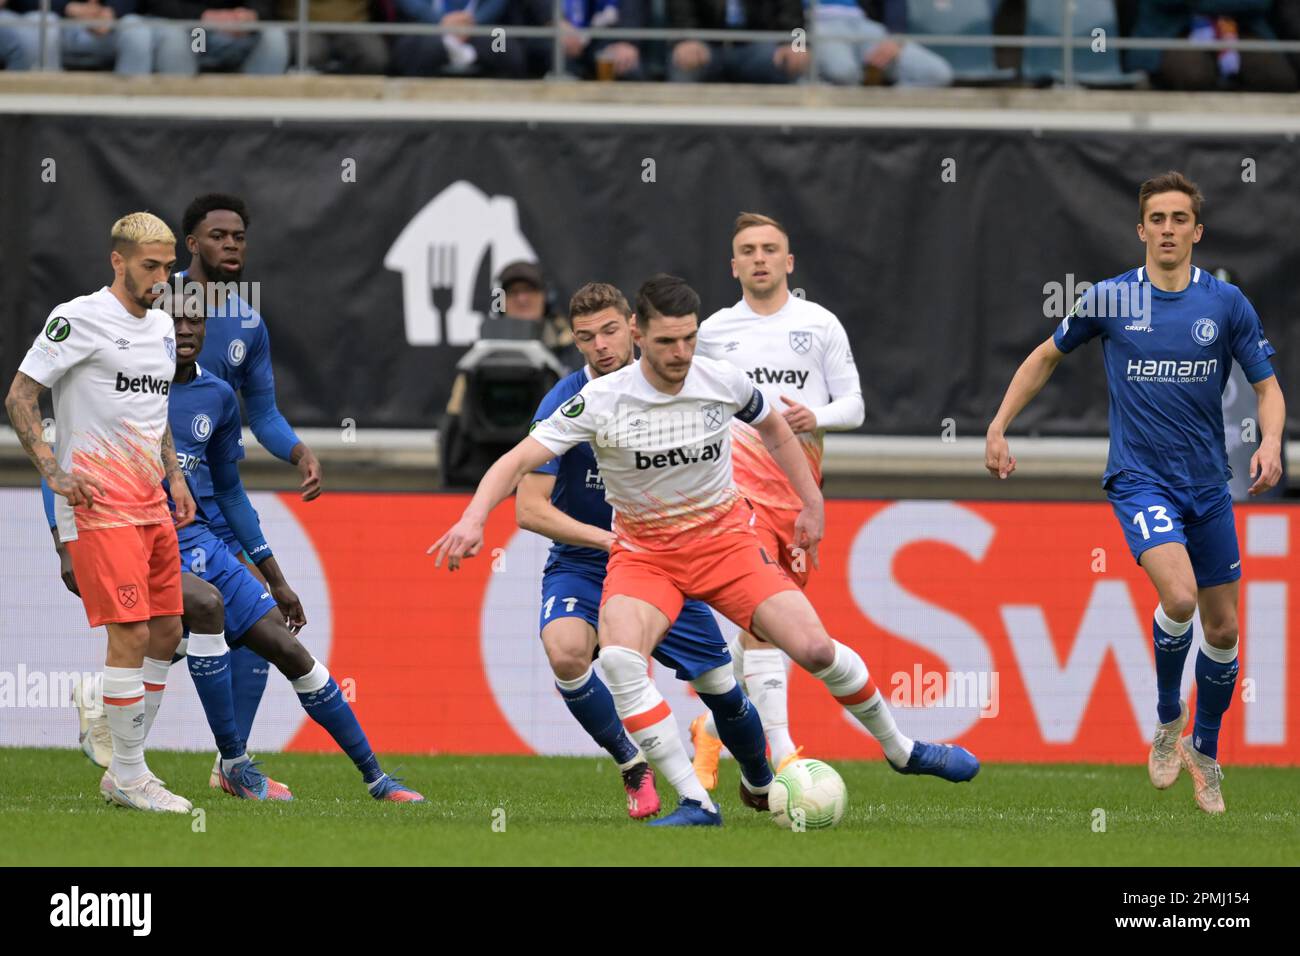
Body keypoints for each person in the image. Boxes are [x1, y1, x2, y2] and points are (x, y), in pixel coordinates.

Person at [433, 273, 979, 827]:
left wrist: (810, 503)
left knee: (812, 650)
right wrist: (474, 517)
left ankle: (901, 751)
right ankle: (695, 800)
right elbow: (515, 462)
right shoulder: (597, 400)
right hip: (644, 555)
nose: (681, 353)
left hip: (725, 544)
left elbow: (774, 428)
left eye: (689, 338)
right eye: (668, 341)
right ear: (642, 336)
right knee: (620, 660)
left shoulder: (721, 379)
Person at [984, 171, 1285, 814]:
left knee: (1225, 629)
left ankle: (1204, 748)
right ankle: (1167, 716)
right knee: (1178, 595)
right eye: (1158, 219)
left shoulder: (1226, 305)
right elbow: (1045, 356)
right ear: (1141, 229)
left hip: (1208, 484)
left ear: (1197, 232)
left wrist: (1269, 441)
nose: (1168, 229)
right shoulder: (1111, 300)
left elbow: (1267, 386)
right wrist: (999, 423)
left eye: (1180, 219)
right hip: (1139, 478)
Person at [515, 281, 775, 821]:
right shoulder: (565, 401)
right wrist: (607, 541)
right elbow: (529, 509)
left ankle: (760, 778)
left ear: (633, 327)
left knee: (721, 689)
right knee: (566, 651)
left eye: (610, 331)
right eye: (586, 337)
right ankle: (634, 766)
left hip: (670, 558)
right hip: (587, 562)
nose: (601, 345)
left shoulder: (681, 384)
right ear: (577, 342)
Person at [6, 212, 198, 813]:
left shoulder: (164, 325)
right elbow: (20, 395)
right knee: (132, 632)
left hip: (152, 503)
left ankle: (118, 750)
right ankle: (131, 775)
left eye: (168, 266)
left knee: (168, 631)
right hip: (99, 506)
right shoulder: (78, 317)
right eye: (150, 266)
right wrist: (54, 472)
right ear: (117, 261)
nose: (161, 278)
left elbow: (156, 409)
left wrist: (174, 474)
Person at [688, 211, 864, 786]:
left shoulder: (819, 325)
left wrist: (819, 415)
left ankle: (710, 729)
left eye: (770, 249)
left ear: (788, 262)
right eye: (748, 250)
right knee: (767, 623)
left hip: (798, 497)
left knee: (768, 629)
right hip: (735, 499)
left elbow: (855, 407)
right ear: (733, 264)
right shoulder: (712, 332)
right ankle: (781, 755)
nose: (759, 258)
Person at [812, 0, 952, 87]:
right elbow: (793, 17)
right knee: (842, 72)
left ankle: (882, 115)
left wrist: (895, 37)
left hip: (864, 25)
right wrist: (798, 45)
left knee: (936, 73)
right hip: (817, 25)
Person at [668, 0, 807, 83]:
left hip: (757, 47)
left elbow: (793, 12)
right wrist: (685, 39)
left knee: (796, 66)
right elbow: (680, 9)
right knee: (683, 68)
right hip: (708, 46)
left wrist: (797, 46)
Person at [139, 0, 290, 75]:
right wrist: (203, 17)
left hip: (235, 33)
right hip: (192, 31)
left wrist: (250, 16)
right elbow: (157, 4)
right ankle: (182, 118)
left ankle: (261, 122)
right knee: (174, 38)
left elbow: (264, 7)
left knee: (274, 35)